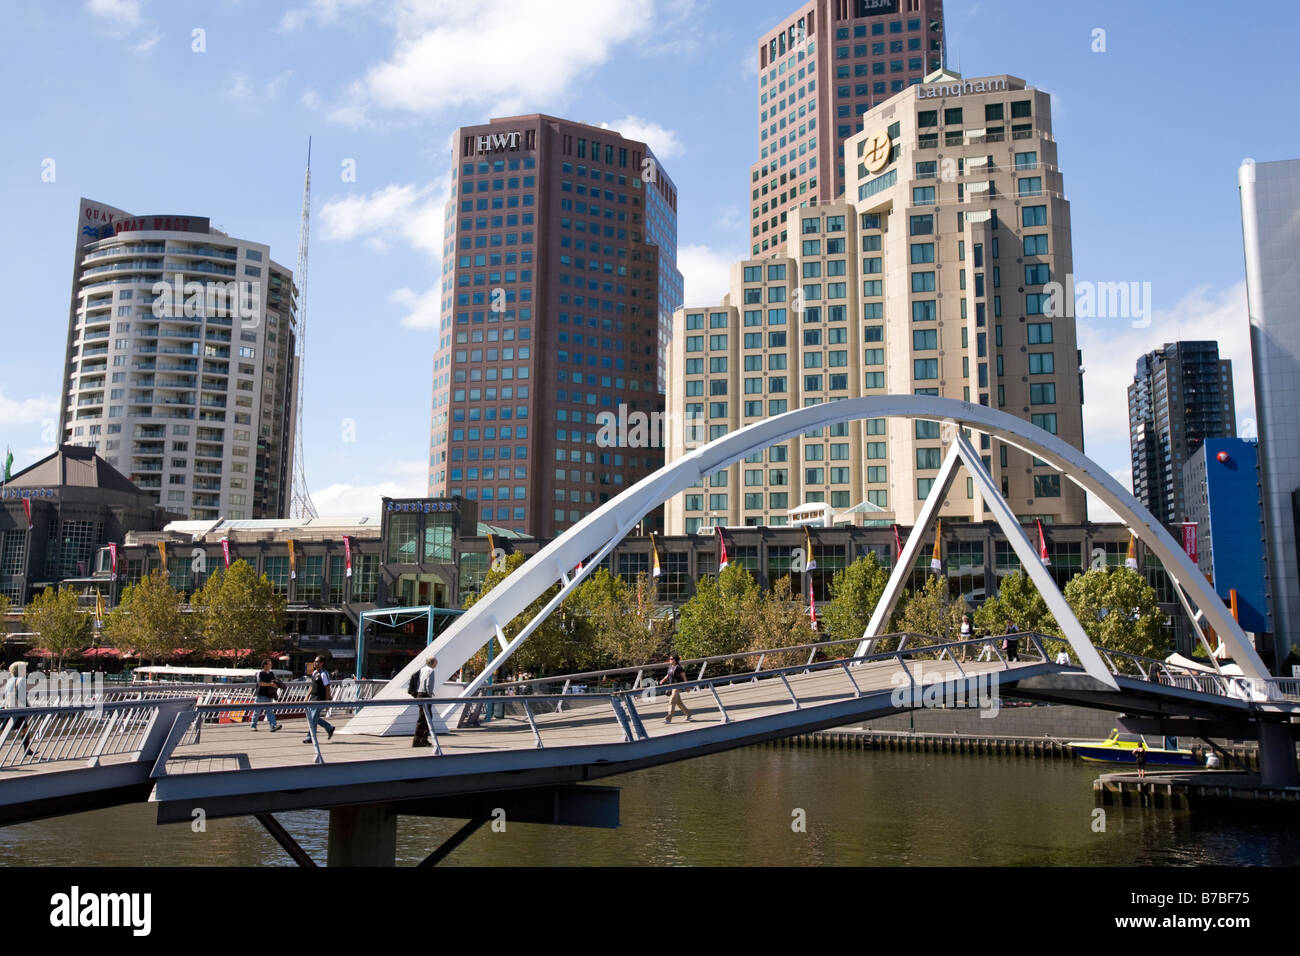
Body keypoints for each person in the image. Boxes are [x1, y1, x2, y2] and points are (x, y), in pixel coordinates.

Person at [302, 658, 335, 744]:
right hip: (313, 698)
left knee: (313, 719)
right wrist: (307, 696)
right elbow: (312, 685)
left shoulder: (323, 674)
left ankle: (310, 737)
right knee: (313, 717)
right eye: (314, 661)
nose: (315, 663)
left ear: (321, 663)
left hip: (320, 699)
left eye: (317, 662)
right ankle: (329, 728)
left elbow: (327, 687)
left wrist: (327, 701)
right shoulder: (314, 672)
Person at [249, 659, 283, 732]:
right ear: (265, 665)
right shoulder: (259, 673)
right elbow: (260, 683)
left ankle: (273, 726)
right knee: (257, 711)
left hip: (269, 695)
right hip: (260, 695)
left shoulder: (271, 673)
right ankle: (253, 726)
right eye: (269, 664)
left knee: (270, 711)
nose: (271, 665)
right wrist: (270, 684)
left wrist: (277, 685)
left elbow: (274, 682)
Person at [659, 654, 693, 724]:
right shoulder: (671, 666)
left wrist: (687, 686)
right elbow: (668, 674)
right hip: (672, 686)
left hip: (677, 686)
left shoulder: (679, 668)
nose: (670, 660)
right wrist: (663, 680)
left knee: (672, 701)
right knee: (679, 703)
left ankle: (668, 719)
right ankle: (688, 714)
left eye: (671, 659)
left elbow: (684, 677)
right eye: (670, 659)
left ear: (675, 660)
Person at [413, 656, 438, 748]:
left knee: (422, 717)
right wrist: (430, 694)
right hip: (425, 695)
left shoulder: (422, 670)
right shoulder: (431, 671)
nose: (437, 664)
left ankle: (418, 739)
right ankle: (422, 740)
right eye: (436, 662)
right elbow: (429, 684)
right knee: (426, 718)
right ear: (432, 663)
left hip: (419, 694)